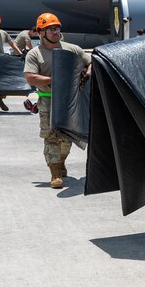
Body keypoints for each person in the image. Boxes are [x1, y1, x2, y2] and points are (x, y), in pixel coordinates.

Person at [22, 13, 91, 189]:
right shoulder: (34, 54)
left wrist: (88, 73)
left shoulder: (72, 49)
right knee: (51, 137)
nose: (55, 32)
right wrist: (54, 80)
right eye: (50, 29)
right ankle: (55, 173)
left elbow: (91, 62)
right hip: (47, 101)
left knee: (67, 138)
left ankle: (60, 162)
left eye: (57, 28)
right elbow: (30, 77)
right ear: (41, 33)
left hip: (69, 101)